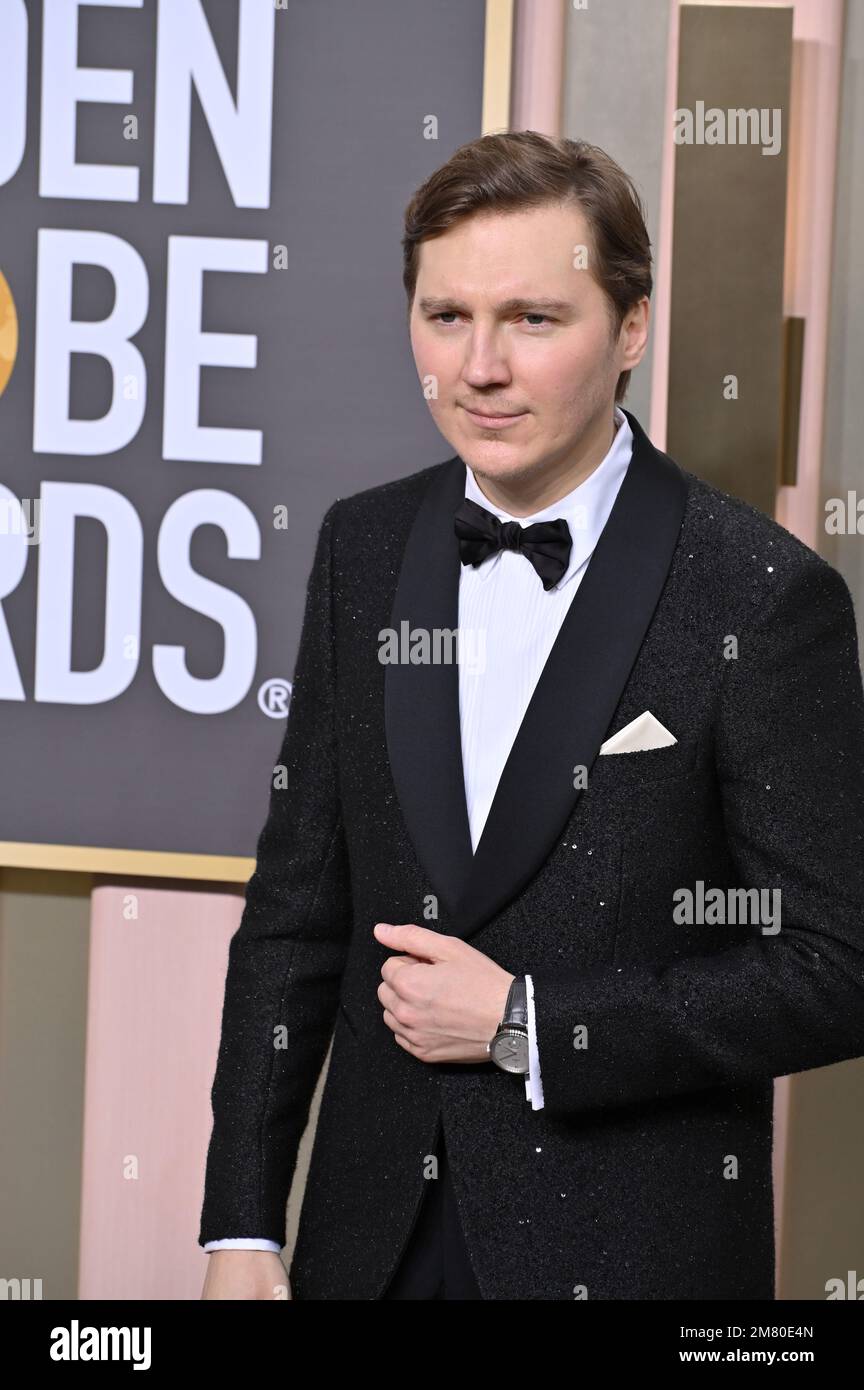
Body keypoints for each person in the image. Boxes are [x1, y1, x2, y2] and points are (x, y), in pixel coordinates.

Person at [199, 131, 864, 1300]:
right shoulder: (362, 548)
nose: (480, 367)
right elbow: (297, 917)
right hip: (368, 1253)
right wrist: (244, 1225)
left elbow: (836, 965)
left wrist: (528, 1022)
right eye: (445, 316)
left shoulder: (764, 598)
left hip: (631, 1261)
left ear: (633, 329)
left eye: (534, 320)